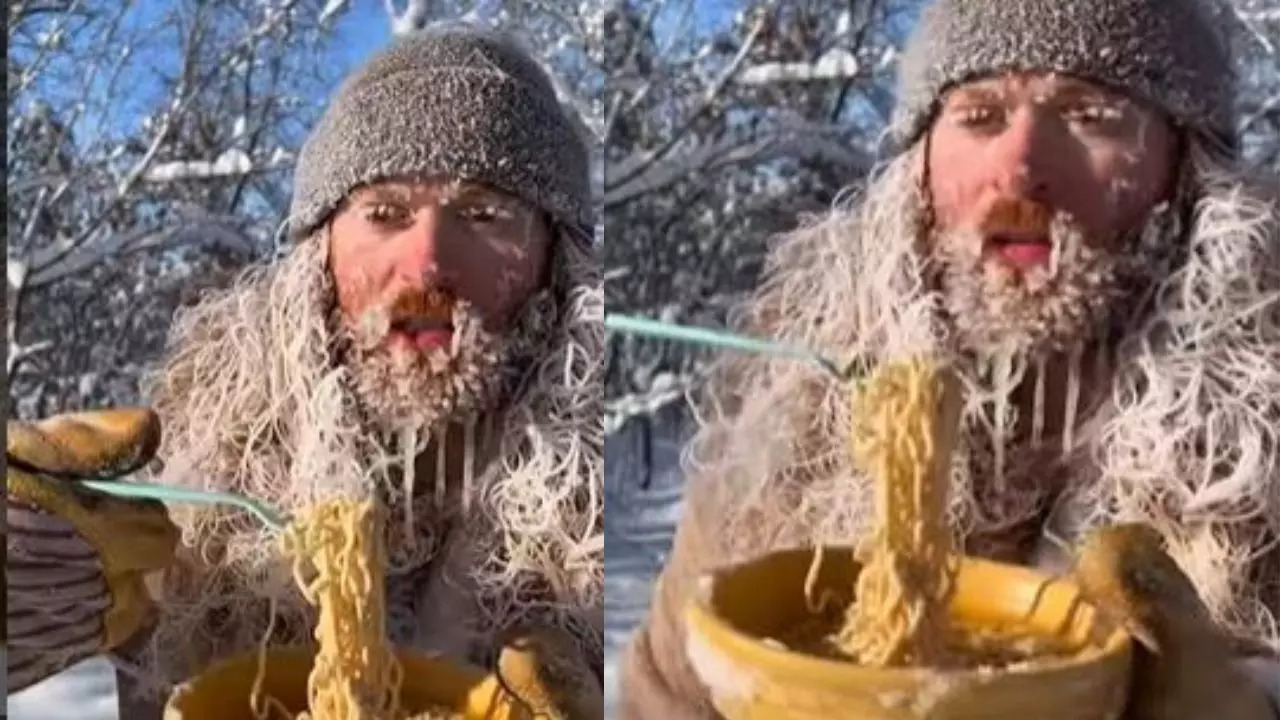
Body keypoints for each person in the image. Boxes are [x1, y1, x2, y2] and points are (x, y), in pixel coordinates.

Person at [619, 0, 1280, 717]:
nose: (1021, 168)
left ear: (1189, 174)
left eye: (1092, 115)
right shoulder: (788, 420)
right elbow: (668, 691)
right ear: (918, 171)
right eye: (980, 116)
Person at [5, 24, 603, 718]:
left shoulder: (608, 543)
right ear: (314, 262)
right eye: (385, 213)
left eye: (484, 214)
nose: (430, 262)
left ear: (553, 267)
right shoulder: (199, 512)